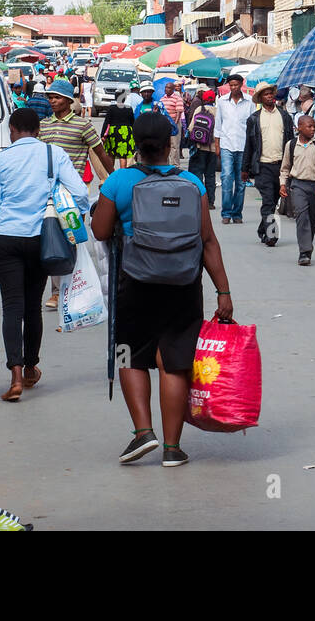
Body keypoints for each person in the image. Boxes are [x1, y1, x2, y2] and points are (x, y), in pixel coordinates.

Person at [90, 113, 234, 468]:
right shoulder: (193, 184)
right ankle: (172, 447)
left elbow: (100, 232)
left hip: (134, 284)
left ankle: (143, 432)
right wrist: (223, 291)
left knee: (128, 354)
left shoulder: (119, 182)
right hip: (184, 285)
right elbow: (208, 240)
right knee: (174, 362)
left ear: (136, 145)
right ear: (171, 144)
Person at [0, 108, 89, 403]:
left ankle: (15, 376)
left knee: (12, 307)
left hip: (6, 240)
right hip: (41, 240)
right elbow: (80, 193)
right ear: (39, 130)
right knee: (32, 307)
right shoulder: (54, 154)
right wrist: (72, 219)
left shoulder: (2, 161)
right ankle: (31, 368)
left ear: (12, 131)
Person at [39, 78, 113, 309]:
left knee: (71, 241)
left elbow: (100, 153)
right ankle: (55, 292)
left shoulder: (83, 126)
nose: (52, 101)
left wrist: (114, 178)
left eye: (56, 97)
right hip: (49, 193)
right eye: (50, 97)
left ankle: (71, 289)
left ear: (68, 101)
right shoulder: (43, 126)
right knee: (52, 239)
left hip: (74, 194)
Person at [242, 82, 294, 247]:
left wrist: (292, 165)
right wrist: (245, 169)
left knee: (274, 200)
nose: (270, 96)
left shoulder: (285, 116)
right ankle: (272, 235)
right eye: (266, 94)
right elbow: (249, 145)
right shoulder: (254, 119)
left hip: (281, 167)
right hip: (263, 166)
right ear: (261, 98)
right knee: (268, 201)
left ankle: (262, 229)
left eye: (271, 93)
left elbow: (291, 143)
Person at [279, 114, 315, 266]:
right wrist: (282, 184)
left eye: (314, 126)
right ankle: (304, 252)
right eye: (309, 126)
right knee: (301, 216)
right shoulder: (291, 145)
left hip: (313, 187)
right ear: (299, 128)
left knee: (311, 219)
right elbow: (285, 167)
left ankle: (308, 247)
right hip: (297, 185)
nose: (312, 129)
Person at [213, 73, 251, 225]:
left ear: (241, 84)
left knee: (241, 182)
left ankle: (237, 213)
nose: (234, 87)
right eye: (231, 85)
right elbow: (218, 124)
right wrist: (217, 145)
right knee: (227, 178)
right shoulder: (222, 101)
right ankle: (226, 213)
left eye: (236, 85)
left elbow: (252, 127)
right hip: (227, 145)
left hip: (243, 146)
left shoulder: (249, 102)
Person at [186, 88, 217, 210]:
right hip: (213, 149)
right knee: (210, 175)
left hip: (199, 147)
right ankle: (210, 202)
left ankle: (199, 199)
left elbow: (191, 128)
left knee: (197, 173)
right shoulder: (218, 111)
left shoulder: (200, 109)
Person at [102, 97, 137, 170]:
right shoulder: (129, 108)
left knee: (111, 154)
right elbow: (132, 123)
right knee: (122, 155)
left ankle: (111, 174)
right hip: (125, 132)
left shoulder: (111, 108)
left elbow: (106, 122)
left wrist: (102, 135)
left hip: (113, 132)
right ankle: (123, 174)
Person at [159, 81, 186, 166]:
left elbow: (178, 112)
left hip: (174, 123)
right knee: (165, 145)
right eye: (166, 88)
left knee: (174, 145)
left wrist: (174, 125)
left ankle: (175, 165)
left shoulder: (177, 98)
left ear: (173, 89)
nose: (166, 89)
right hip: (164, 124)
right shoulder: (162, 99)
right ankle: (165, 164)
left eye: (169, 88)